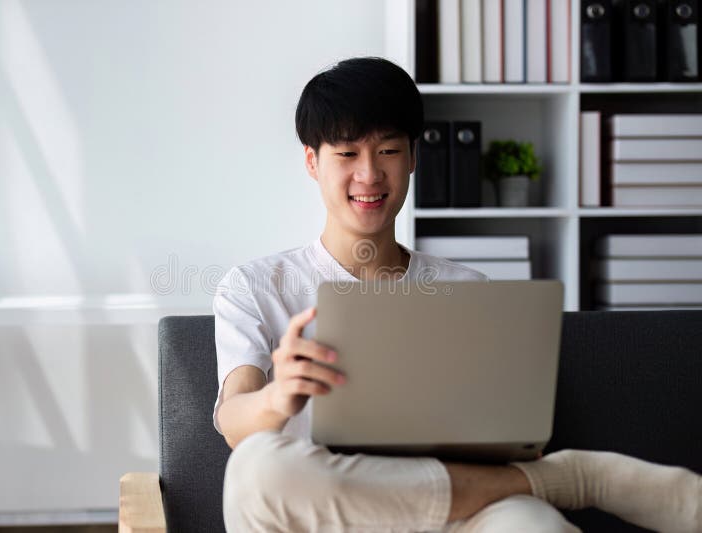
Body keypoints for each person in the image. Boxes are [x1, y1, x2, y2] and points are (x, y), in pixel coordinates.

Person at [211, 57, 701, 532]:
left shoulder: (466, 291)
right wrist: (279, 396)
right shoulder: (255, 286)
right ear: (312, 162)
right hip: (321, 517)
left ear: (413, 158)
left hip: (456, 518)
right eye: (346, 154)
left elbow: (496, 433)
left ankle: (532, 490)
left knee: (533, 524)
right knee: (257, 467)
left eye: (387, 150)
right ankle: (567, 480)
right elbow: (234, 421)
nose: (369, 174)